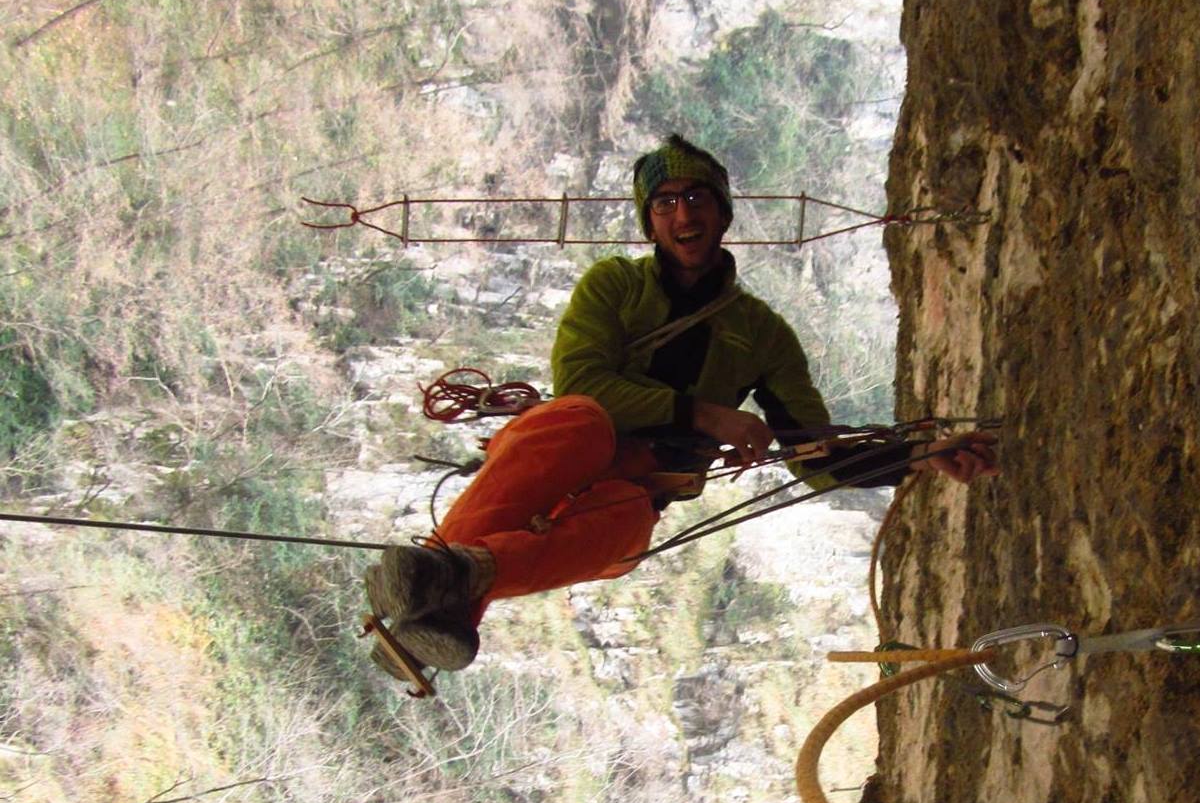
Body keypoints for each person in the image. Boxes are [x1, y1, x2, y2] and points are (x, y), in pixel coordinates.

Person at [364, 134, 996, 687]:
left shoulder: (762, 335)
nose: (682, 212)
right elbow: (582, 379)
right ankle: (431, 600)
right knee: (580, 420)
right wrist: (708, 416)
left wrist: (918, 456)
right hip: (564, 452)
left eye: (697, 198)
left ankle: (430, 597)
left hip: (633, 491)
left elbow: (816, 453)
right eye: (664, 202)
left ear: (722, 213)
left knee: (629, 524)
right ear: (650, 222)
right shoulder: (613, 286)